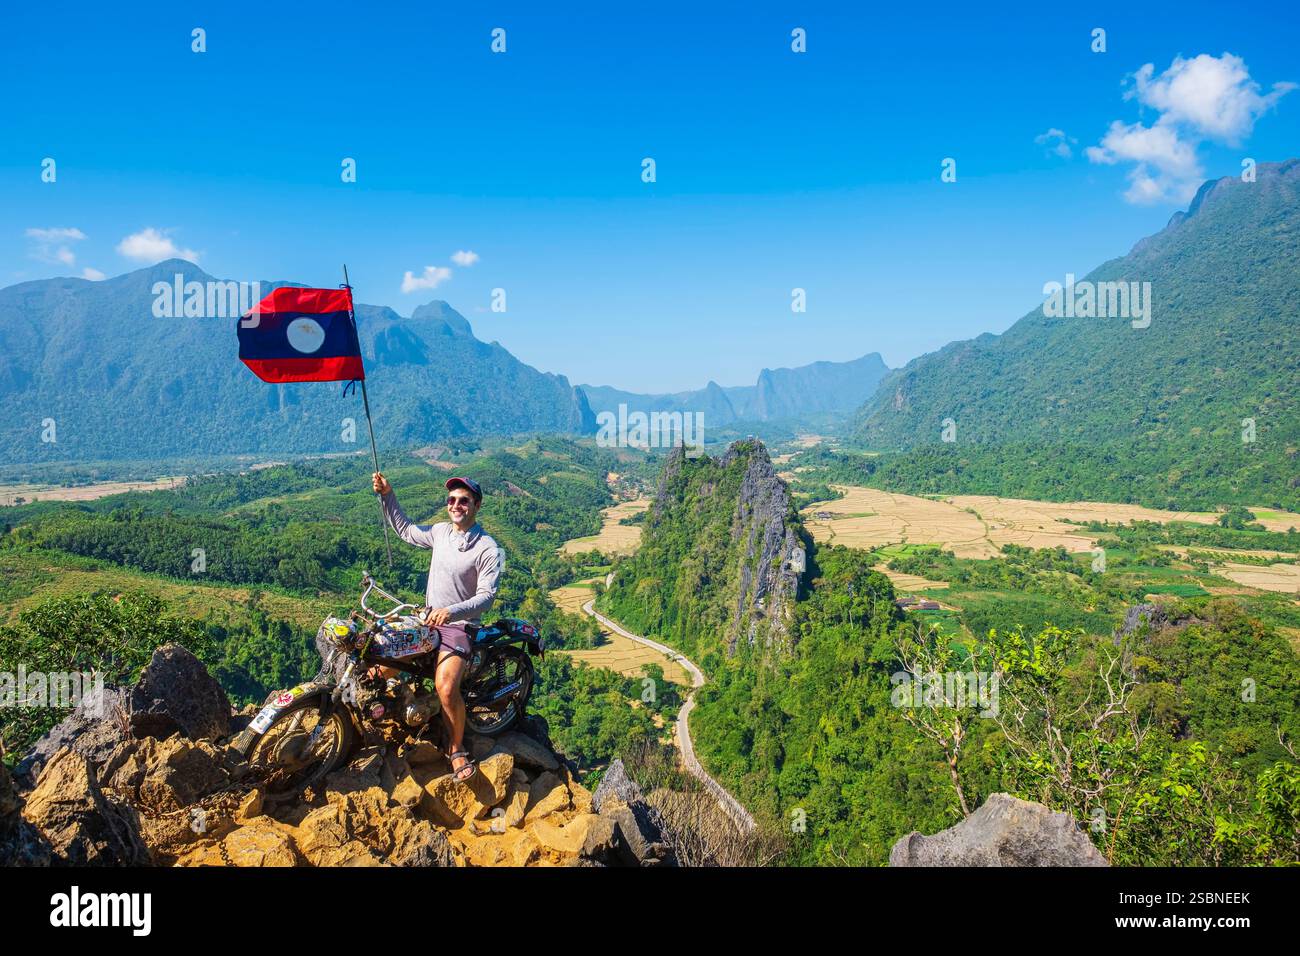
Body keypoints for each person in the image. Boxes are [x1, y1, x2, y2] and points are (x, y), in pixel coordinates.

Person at [371, 470, 503, 782]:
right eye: (452, 500)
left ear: (477, 505)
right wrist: (388, 494)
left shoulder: (487, 547)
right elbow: (405, 530)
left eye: (464, 500)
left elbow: (487, 597)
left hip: (459, 627)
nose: (457, 505)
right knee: (381, 662)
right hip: (427, 618)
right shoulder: (442, 532)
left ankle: (456, 749)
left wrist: (451, 612)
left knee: (445, 688)